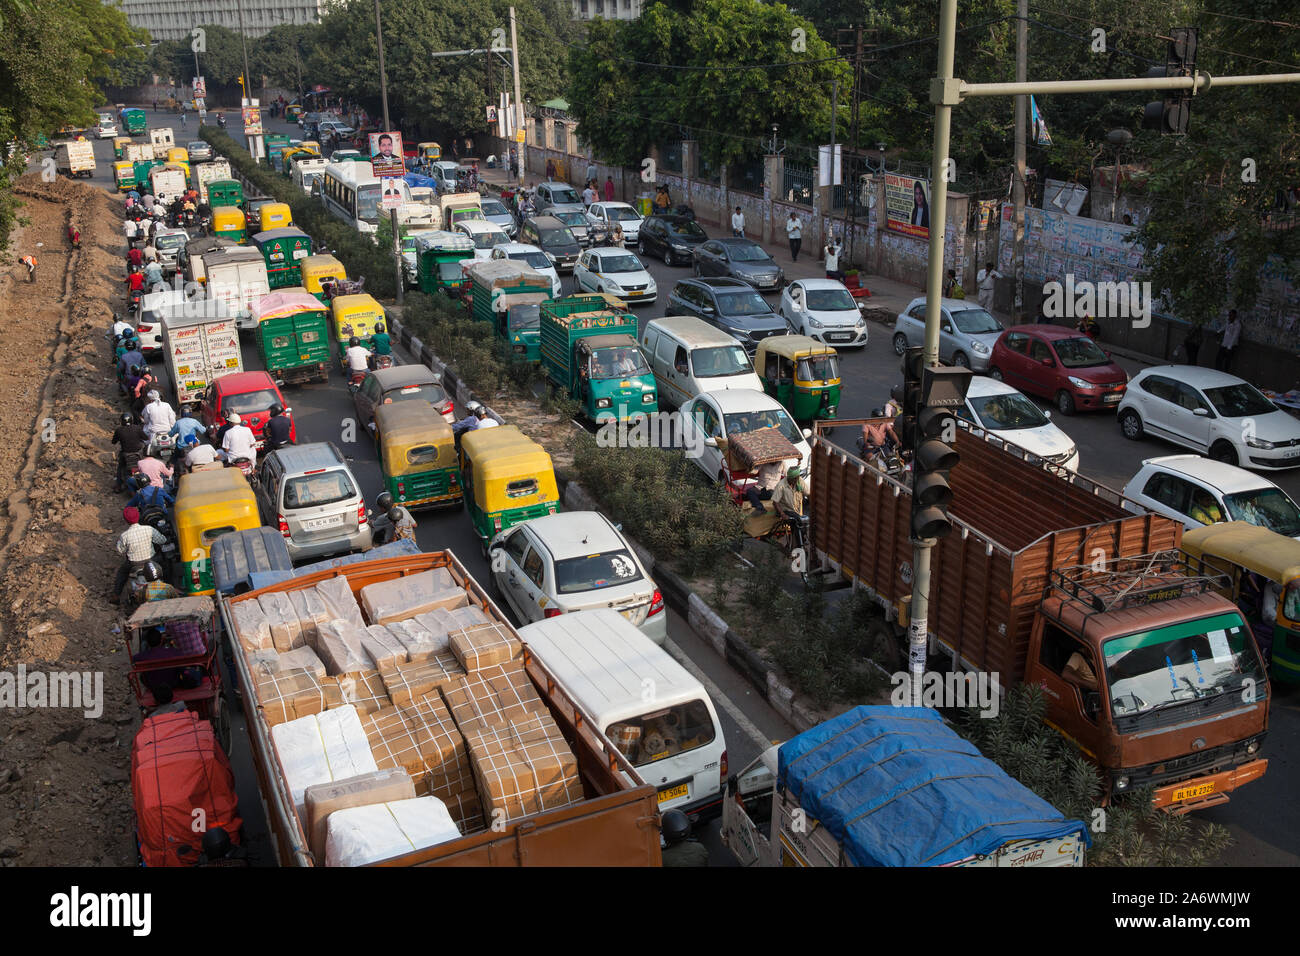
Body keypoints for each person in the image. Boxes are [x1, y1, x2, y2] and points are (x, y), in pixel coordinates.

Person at [113, 506, 168, 602]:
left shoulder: (124, 535)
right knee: (166, 565)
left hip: (134, 564)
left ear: (126, 520)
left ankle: (116, 596)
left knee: (121, 574)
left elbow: (120, 550)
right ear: (138, 516)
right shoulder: (149, 529)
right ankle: (169, 586)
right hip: (151, 561)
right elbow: (162, 540)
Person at [112, 411, 149, 492]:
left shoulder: (119, 430)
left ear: (121, 421)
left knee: (120, 468)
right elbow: (146, 438)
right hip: (138, 453)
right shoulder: (137, 428)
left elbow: (113, 442)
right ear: (132, 420)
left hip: (125, 454)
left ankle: (118, 485)